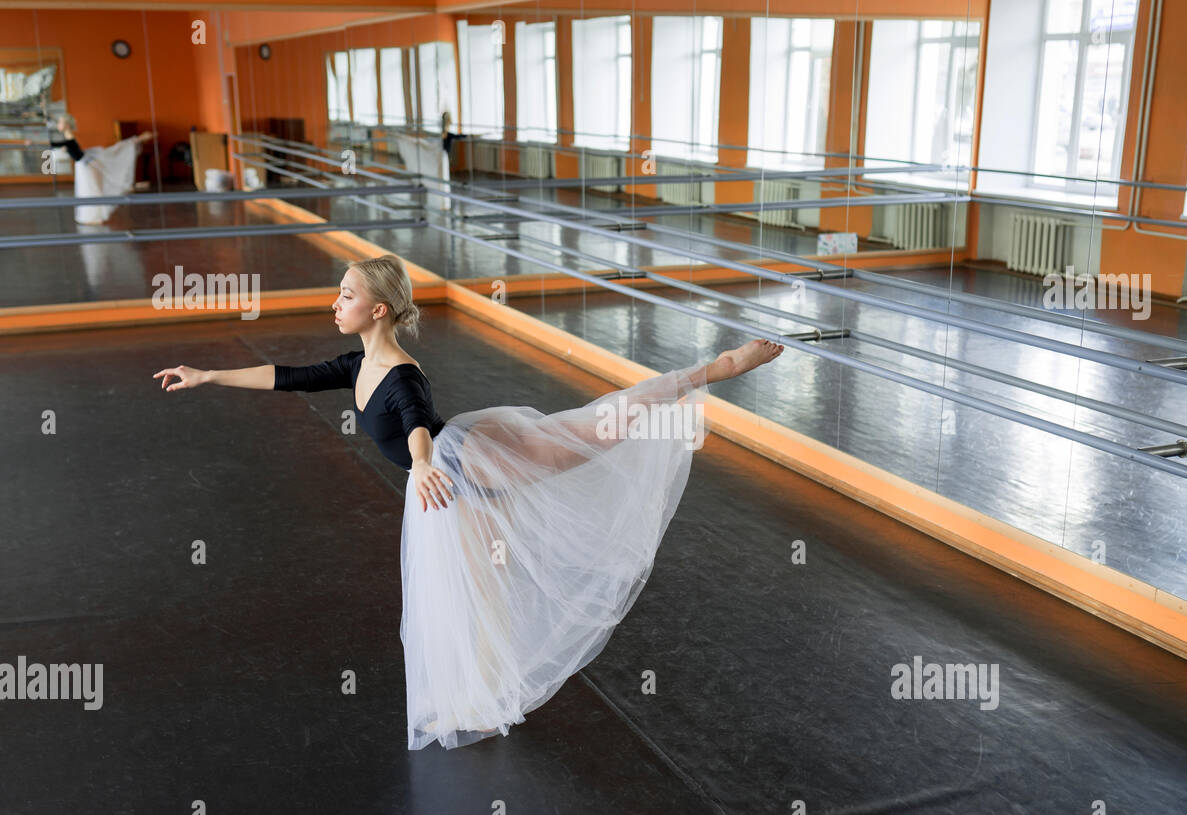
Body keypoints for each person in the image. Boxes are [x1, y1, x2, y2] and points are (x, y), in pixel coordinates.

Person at [152, 253, 784, 750]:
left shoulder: (400, 371)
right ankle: (483, 695)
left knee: (594, 432)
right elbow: (287, 378)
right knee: (476, 589)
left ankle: (718, 369)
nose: (335, 302)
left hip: (473, 458)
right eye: (339, 291)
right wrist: (208, 375)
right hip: (457, 484)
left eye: (346, 294)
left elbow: (417, 416)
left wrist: (422, 463)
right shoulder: (357, 363)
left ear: (378, 311)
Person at [29, 114, 154, 224]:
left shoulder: (69, 137)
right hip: (85, 163)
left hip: (87, 165)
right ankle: (97, 215)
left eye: (60, 122)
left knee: (95, 190)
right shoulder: (68, 137)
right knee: (93, 191)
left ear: (66, 125)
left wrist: (34, 143)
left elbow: (53, 144)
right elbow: (68, 148)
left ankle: (98, 215)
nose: (58, 124)